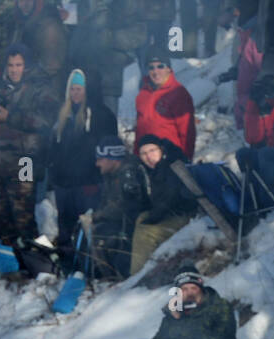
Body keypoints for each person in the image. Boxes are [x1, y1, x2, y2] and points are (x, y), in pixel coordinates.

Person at [0, 47, 56, 248]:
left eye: (19, 65)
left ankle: (39, 259)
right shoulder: (3, 89)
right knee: (3, 217)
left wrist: (10, 117)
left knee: (24, 213)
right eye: (10, 65)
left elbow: (45, 121)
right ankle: (14, 263)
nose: (14, 70)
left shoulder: (40, 89)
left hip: (26, 159)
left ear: (27, 66)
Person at [48, 68, 117, 259]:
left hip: (88, 182)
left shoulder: (100, 115)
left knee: (89, 228)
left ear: (88, 90)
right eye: (72, 89)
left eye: (79, 89)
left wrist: (98, 175)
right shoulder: (62, 115)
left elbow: (109, 149)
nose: (75, 94)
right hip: (64, 183)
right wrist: (52, 174)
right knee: (65, 227)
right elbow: (53, 147)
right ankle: (67, 263)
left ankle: (91, 264)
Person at [128, 135, 197, 274]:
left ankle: (136, 275)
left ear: (161, 150)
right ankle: (145, 265)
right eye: (144, 153)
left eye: (152, 150)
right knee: (142, 217)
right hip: (171, 214)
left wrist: (153, 218)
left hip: (184, 216)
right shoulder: (152, 170)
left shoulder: (171, 166)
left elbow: (170, 199)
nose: (149, 157)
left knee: (146, 233)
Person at [88, 135, 146, 278]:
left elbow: (127, 205)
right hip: (118, 222)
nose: (97, 164)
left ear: (112, 159)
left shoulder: (128, 174)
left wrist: (99, 216)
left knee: (106, 235)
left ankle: (119, 277)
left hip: (131, 225)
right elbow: (106, 201)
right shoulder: (111, 174)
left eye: (100, 159)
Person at [0, 0, 67, 89]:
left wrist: (24, 77)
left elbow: (51, 67)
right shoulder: (18, 21)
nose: (24, 4)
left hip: (43, 88)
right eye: (21, 1)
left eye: (29, 1)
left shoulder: (50, 27)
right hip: (22, 85)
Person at [134, 51, 195, 161]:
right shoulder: (143, 95)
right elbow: (139, 131)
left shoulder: (179, 93)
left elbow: (187, 132)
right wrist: (136, 156)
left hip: (171, 158)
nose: (155, 71)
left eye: (160, 66)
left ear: (169, 69)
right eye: (151, 67)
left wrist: (186, 160)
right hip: (147, 159)